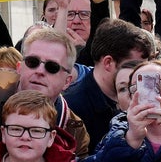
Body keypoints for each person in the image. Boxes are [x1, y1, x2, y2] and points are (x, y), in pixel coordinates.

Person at [62, 18, 155, 152]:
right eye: (134, 66)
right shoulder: (73, 108)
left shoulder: (143, 98)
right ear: (108, 63)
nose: (141, 73)